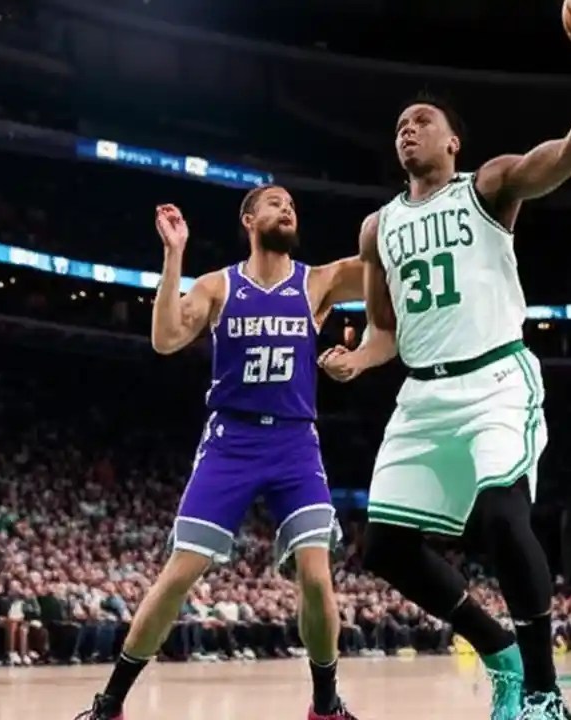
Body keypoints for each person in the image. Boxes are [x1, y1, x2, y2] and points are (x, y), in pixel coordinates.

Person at [318, 2, 571, 717]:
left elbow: (570, 152)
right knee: (383, 547)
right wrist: (359, 362)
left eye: (421, 121)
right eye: (399, 125)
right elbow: (383, 329)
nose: (406, 129)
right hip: (422, 395)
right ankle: (496, 645)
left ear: (453, 142)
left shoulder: (489, 186)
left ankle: (542, 692)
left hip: (496, 380)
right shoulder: (376, 227)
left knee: (507, 519)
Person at [78, 187, 364, 720]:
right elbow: (165, 339)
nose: (287, 209)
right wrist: (173, 255)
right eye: (276, 203)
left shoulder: (317, 281)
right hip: (230, 442)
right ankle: (110, 703)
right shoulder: (219, 285)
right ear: (249, 218)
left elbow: (380, 266)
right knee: (180, 573)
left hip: (295, 441)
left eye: (292, 206)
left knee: (317, 574)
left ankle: (325, 705)